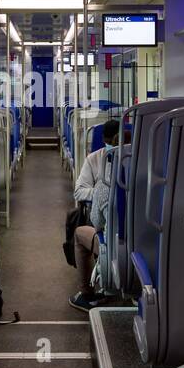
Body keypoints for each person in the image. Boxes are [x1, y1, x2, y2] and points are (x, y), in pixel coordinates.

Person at [69, 118, 120, 312]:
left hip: (112, 238)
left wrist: (101, 196)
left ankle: (87, 294)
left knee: (79, 233)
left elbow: (97, 223)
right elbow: (79, 191)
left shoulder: (103, 185)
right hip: (141, 241)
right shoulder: (142, 160)